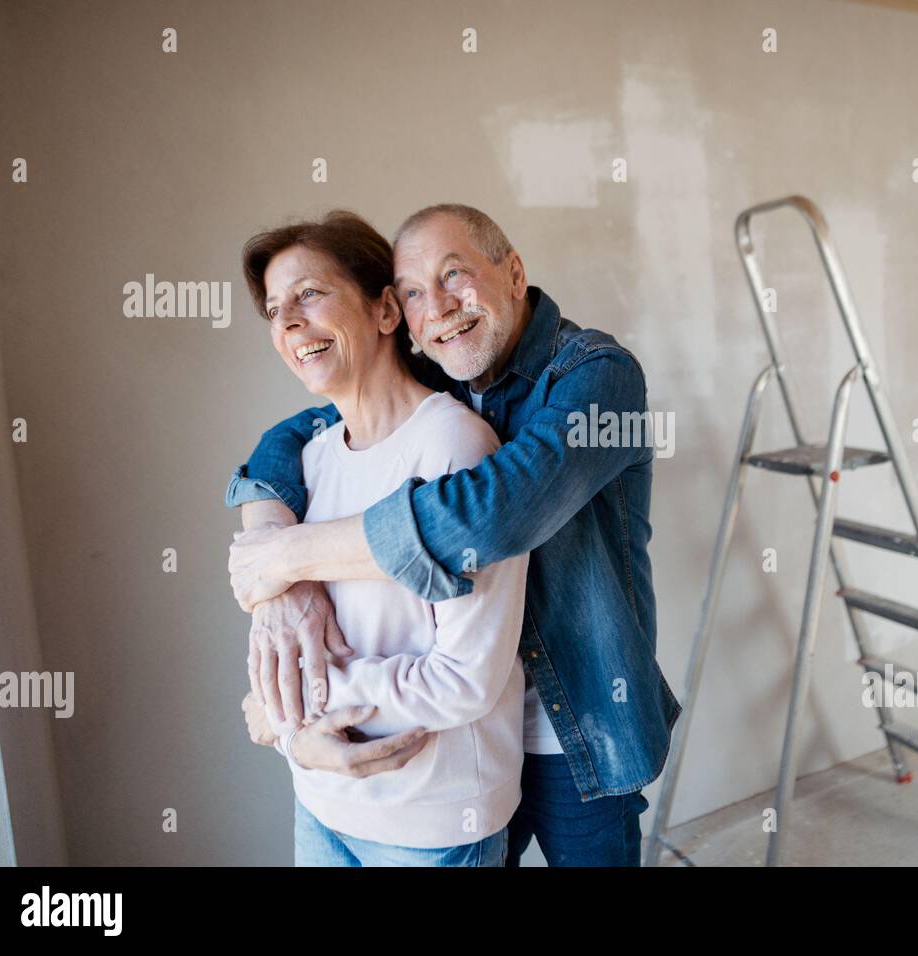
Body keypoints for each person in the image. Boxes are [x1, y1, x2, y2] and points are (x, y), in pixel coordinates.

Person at [227, 204, 680, 866]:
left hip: (578, 729)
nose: (437, 307)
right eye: (413, 291)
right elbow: (293, 436)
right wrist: (279, 587)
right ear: (395, 312)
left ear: (515, 272)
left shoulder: (597, 377)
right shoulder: (445, 372)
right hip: (468, 741)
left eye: (454, 275)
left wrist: (285, 558)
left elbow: (484, 518)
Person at [235, 210, 527, 867]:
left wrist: (301, 706)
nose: (286, 321)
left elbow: (466, 681)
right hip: (320, 802)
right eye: (275, 309)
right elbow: (281, 636)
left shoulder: (453, 446)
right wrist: (295, 740)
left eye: (309, 294)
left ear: (387, 310)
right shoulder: (306, 466)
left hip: (432, 826)